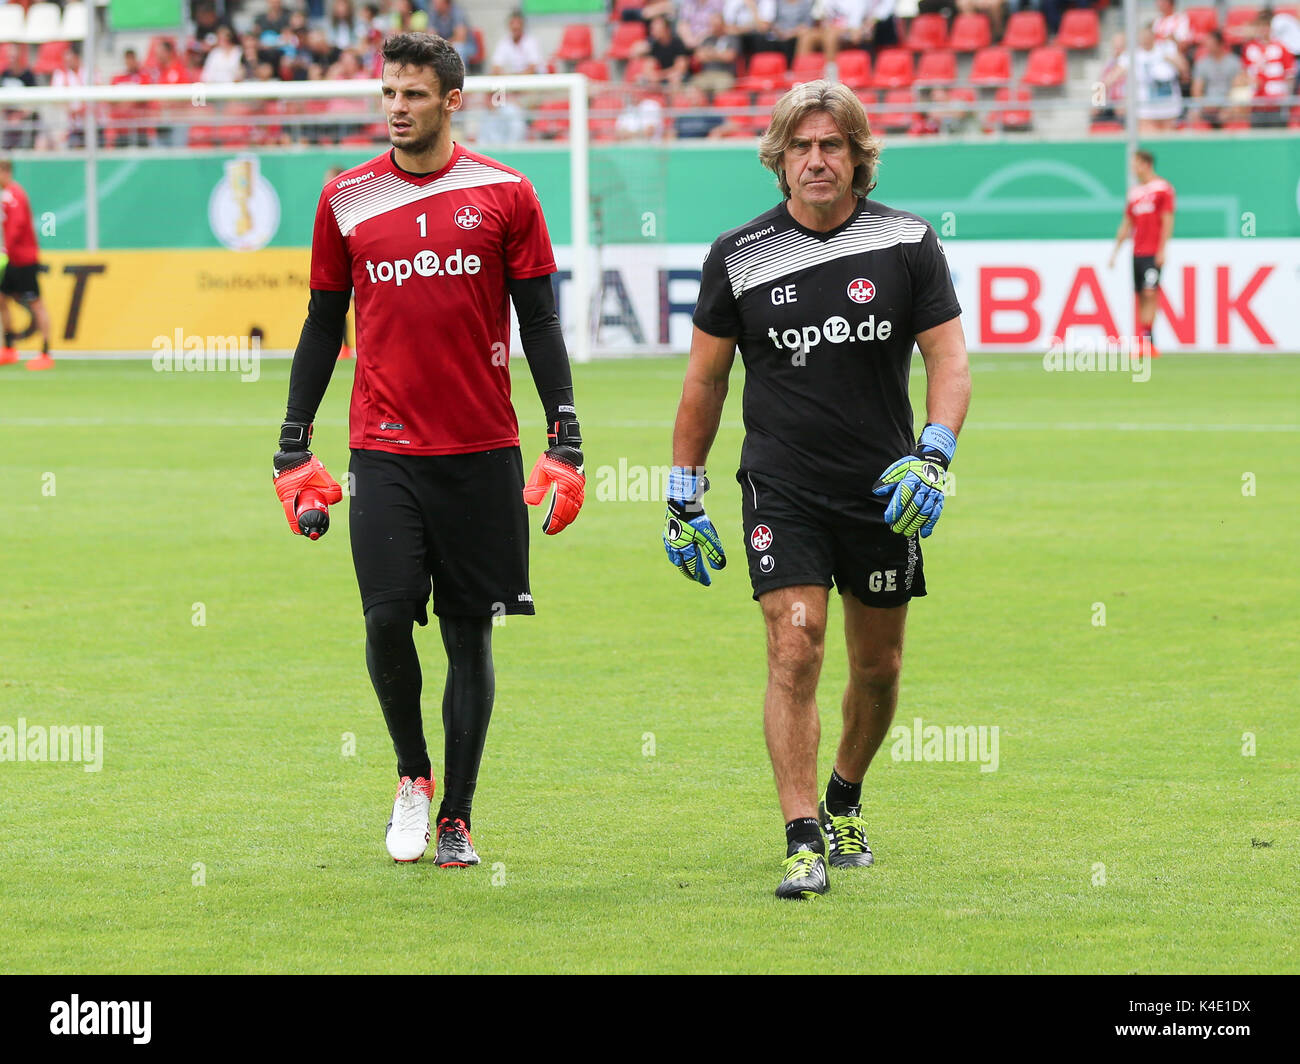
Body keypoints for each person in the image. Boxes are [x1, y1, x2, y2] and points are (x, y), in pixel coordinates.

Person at [274, 32, 585, 869]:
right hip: (382, 447)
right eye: (389, 93)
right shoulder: (345, 198)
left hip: (483, 451)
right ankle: (412, 774)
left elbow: (541, 322)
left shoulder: (507, 194)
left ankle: (459, 814)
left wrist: (568, 435)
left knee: (467, 635)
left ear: (452, 101)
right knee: (383, 617)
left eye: (414, 94)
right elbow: (319, 322)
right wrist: (290, 445)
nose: (398, 108)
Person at [666, 80, 969, 899]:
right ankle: (801, 836)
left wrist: (935, 451)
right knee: (794, 646)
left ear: (859, 156)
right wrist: (682, 491)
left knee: (879, 667)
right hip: (781, 487)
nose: (816, 159)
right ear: (777, 159)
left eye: (832, 144)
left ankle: (843, 797)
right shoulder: (738, 255)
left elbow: (948, 357)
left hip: (885, 491)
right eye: (800, 146)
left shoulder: (908, 243)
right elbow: (704, 383)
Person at [1108, 149, 1173, 357]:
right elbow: (1126, 223)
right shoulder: (1134, 193)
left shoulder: (1163, 189)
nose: (1132, 169)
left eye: (1135, 164)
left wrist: (1163, 248)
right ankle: (1145, 341)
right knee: (1140, 296)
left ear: (1146, 164)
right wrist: (1115, 253)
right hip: (1136, 252)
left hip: (1153, 252)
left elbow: (1167, 219)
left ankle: (1149, 341)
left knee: (1150, 292)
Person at [0, 160, 53, 371]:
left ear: (5, 172)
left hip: (23, 259)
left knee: (36, 304)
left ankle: (46, 353)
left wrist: (5, 249)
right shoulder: (5, 196)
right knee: (1, 299)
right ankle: (9, 349)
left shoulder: (15, 195)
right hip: (11, 260)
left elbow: (17, 226)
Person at [1103, 23, 1186, 132]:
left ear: (1153, 36)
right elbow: (1109, 79)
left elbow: (1184, 70)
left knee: (1167, 140)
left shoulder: (1166, 49)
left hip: (1168, 107)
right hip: (1146, 110)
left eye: (1147, 36)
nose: (1144, 39)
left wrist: (1171, 59)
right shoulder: (1131, 55)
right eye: (1142, 36)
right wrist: (1097, 102)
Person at [1243, 10, 1296, 127]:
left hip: (1277, 103)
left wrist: (1287, 99)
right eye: (1260, 26)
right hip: (1257, 103)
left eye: (1266, 26)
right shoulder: (1250, 48)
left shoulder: (1281, 47)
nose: (1263, 29)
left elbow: (1289, 75)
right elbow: (1245, 73)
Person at [1191, 30, 1243, 127]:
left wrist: (1228, 107)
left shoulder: (1234, 62)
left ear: (1220, 43)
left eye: (1211, 43)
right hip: (1208, 105)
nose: (1208, 46)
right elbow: (1197, 90)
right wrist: (1204, 105)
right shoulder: (1202, 63)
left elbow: (1238, 88)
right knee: (1192, 114)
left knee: (1239, 112)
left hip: (1228, 105)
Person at [489, 9, 543, 76]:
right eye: (512, 23)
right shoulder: (504, 42)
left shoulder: (531, 41)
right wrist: (508, 77)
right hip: (515, 79)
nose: (515, 26)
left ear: (523, 25)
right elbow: (496, 66)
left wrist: (514, 78)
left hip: (533, 79)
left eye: (518, 23)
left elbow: (533, 68)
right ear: (508, 25)